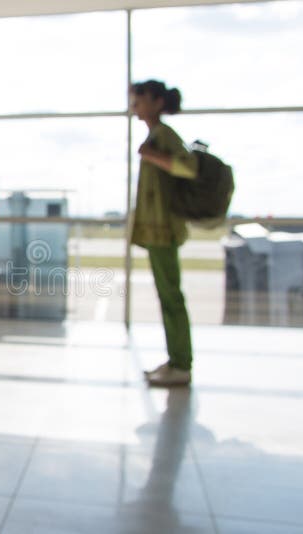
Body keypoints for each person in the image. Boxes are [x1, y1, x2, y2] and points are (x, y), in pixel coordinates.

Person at [129, 80, 198, 387]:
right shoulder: (155, 135)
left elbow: (188, 168)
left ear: (156, 102)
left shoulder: (163, 136)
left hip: (164, 231)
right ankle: (175, 360)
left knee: (172, 297)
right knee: (168, 295)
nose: (134, 106)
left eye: (140, 99)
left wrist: (151, 155)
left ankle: (181, 363)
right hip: (156, 231)